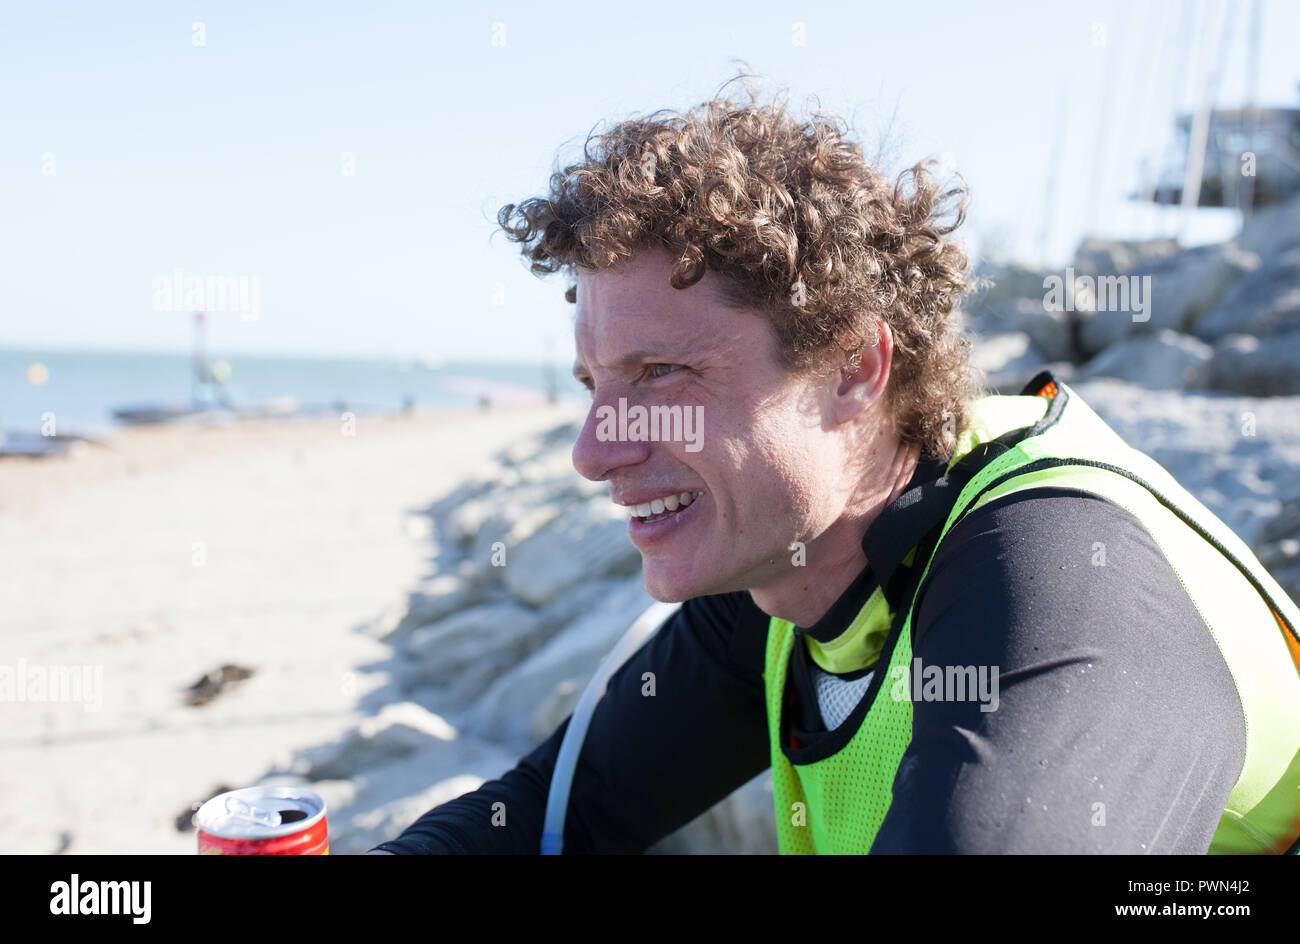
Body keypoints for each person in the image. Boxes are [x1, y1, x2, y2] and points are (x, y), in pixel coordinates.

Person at [369, 80, 1300, 855]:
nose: (591, 451)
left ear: (854, 367)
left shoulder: (1058, 579)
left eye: (662, 373)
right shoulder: (800, 566)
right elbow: (552, 814)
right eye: (593, 384)